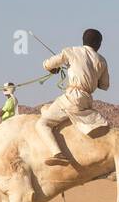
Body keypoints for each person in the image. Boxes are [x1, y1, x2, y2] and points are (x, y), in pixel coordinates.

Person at [35, 29, 110, 166]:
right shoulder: (102, 60)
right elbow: (104, 85)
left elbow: (47, 64)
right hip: (87, 99)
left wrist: (54, 69)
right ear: (99, 44)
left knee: (42, 123)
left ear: (83, 40)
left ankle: (57, 153)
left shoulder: (71, 51)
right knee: (46, 109)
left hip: (73, 96)